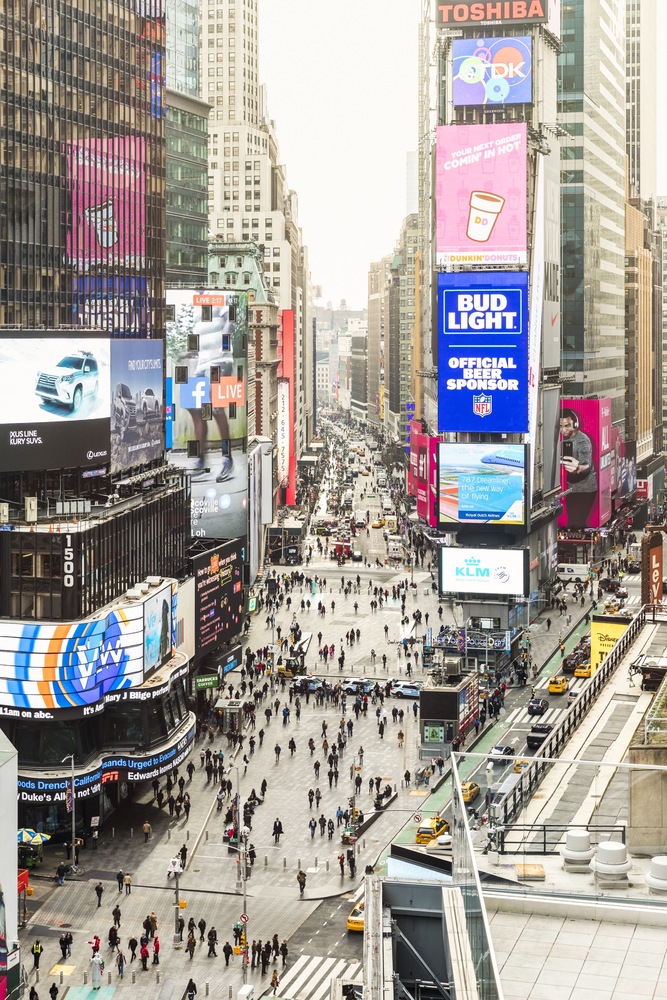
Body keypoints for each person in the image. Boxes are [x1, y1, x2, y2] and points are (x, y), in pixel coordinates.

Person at [560, 407, 598, 527]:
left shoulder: (582, 441)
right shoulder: (567, 440)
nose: (564, 430)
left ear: (575, 424)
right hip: (574, 489)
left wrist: (578, 469)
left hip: (585, 491)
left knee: (575, 523)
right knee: (573, 523)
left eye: (567, 426)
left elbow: (586, 464)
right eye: (561, 426)